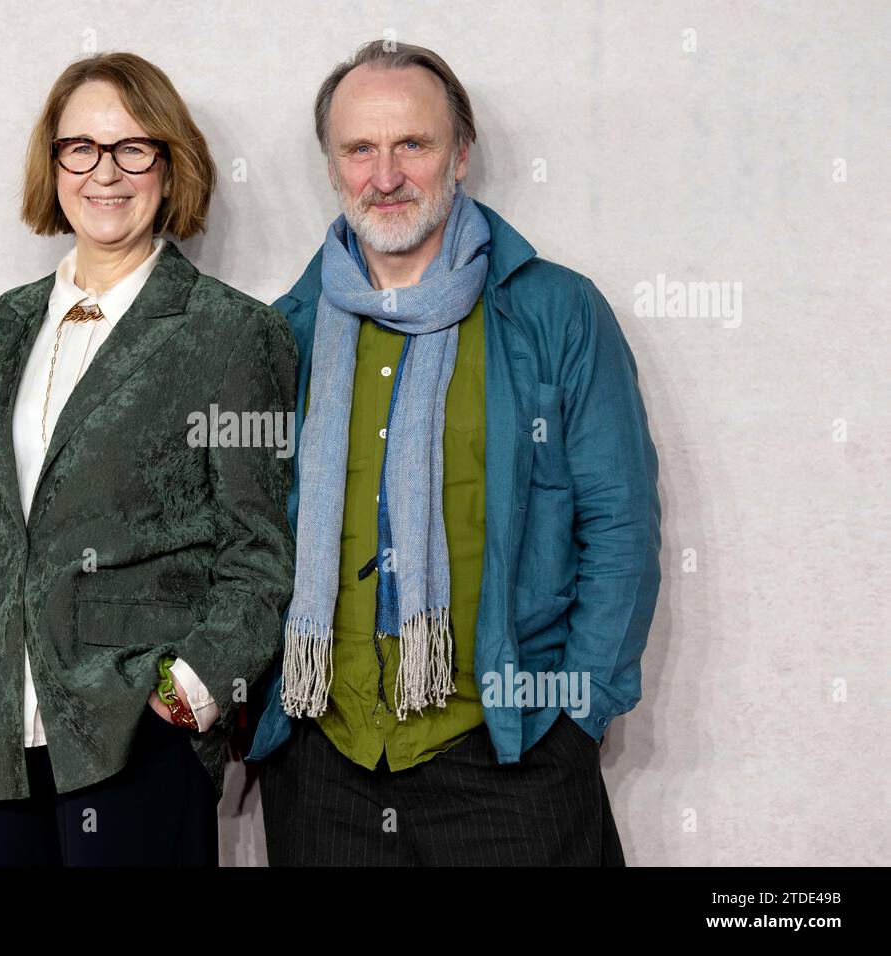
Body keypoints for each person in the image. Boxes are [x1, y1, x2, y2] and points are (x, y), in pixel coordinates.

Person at [247, 39, 662, 866]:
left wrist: (575, 724)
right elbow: (243, 538)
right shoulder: (282, 329)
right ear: (332, 165)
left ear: (461, 153)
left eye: (414, 144)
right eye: (359, 148)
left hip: (509, 756)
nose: (385, 174)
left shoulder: (555, 311)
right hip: (326, 760)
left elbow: (621, 526)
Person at [0, 51, 297, 866]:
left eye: (132, 148)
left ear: (169, 162)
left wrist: (186, 695)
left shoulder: (227, 332)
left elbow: (260, 553)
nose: (104, 173)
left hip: (135, 739)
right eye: (80, 148)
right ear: (53, 166)